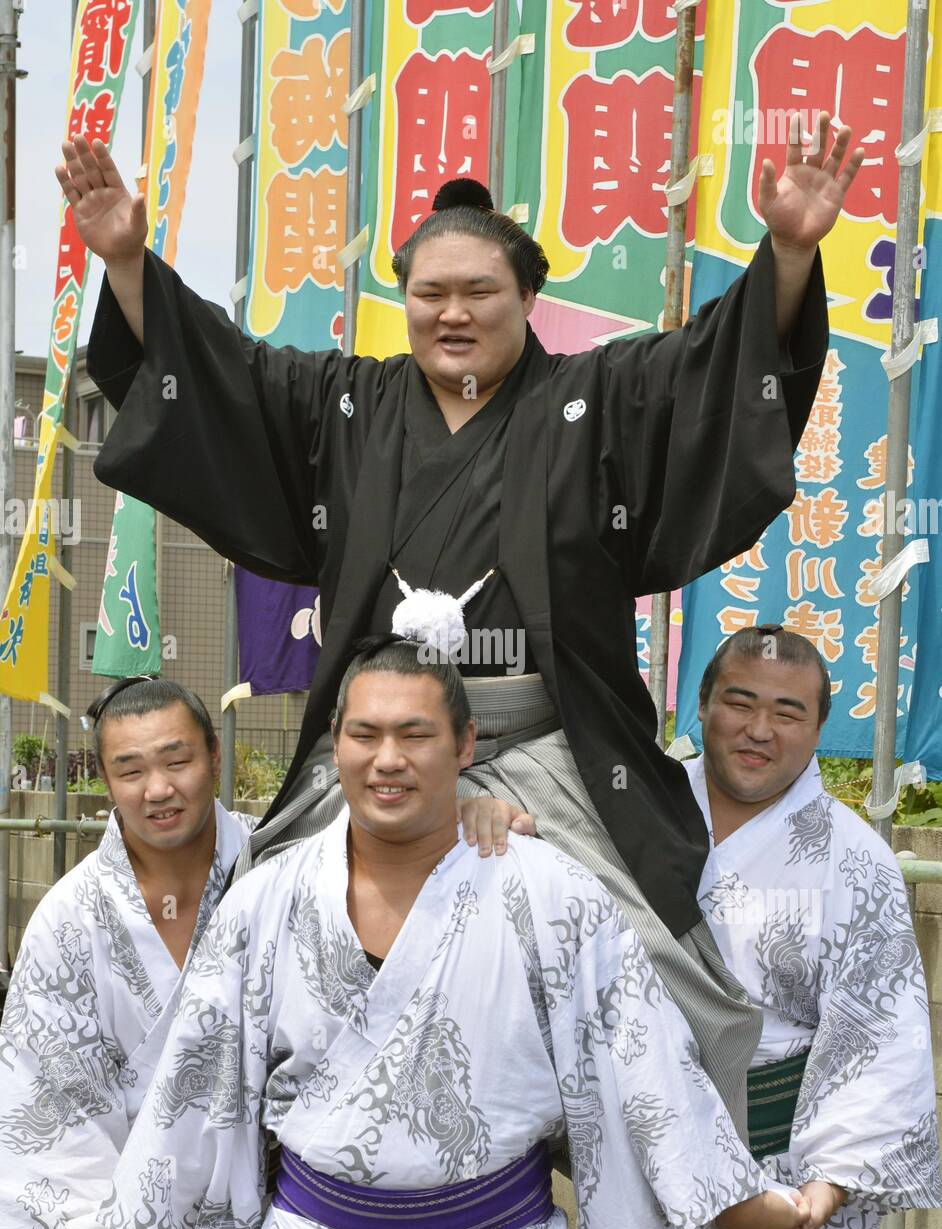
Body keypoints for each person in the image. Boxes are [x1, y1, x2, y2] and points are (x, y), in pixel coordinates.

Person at [55, 115, 863, 1129]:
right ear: (404, 303)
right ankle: (248, 1170)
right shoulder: (341, 404)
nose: (452, 313)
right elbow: (224, 377)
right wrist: (129, 266)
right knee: (255, 924)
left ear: (527, 299)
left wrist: (788, 255)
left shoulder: (597, 396)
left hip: (545, 744)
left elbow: (711, 371)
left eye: (480, 292)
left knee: (644, 952)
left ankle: (695, 1180)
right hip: (381, 746)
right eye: (428, 293)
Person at [67, 639, 811, 1229]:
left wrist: (733, 1197)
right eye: (365, 733)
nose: (388, 758)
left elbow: (644, 1060)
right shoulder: (266, 900)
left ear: (465, 744)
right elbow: (198, 1075)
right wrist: (147, 1210)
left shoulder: (552, 893)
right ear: (335, 743)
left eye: (415, 734)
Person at [679, 626, 942, 1229]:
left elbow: (880, 1037)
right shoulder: (638, 813)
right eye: (740, 703)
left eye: (788, 712)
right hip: (645, 1141)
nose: (759, 729)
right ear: (702, 705)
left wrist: (825, 1188)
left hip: (781, 1165)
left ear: (819, 725)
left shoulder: (858, 861)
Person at [0, 678, 254, 1229]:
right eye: (130, 770)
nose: (158, 789)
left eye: (177, 760)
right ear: (107, 782)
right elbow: (44, 1093)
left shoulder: (281, 864)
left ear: (214, 756)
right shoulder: (71, 915)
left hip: (267, 1225)